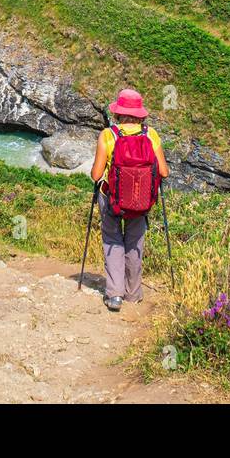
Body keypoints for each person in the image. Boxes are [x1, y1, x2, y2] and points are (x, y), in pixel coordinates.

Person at [88, 88, 169, 311]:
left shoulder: (108, 135)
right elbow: (163, 172)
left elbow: (96, 175)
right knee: (134, 243)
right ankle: (134, 294)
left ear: (118, 113)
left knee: (113, 241)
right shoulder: (150, 135)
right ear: (140, 114)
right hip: (141, 201)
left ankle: (114, 295)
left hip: (112, 199)